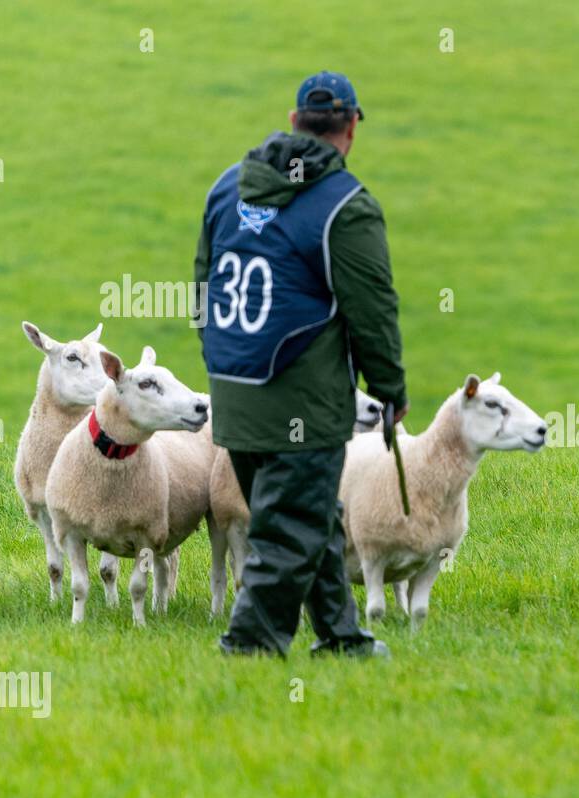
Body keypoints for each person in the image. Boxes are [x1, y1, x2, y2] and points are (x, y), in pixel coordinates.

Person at [193, 70, 406, 658]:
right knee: (290, 529)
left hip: (234, 396)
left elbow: (201, 286)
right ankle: (248, 646)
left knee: (308, 515)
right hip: (302, 403)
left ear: (293, 122)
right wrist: (389, 389)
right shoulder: (346, 206)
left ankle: (342, 637)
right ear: (352, 128)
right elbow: (373, 309)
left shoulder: (225, 188)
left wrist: (220, 359)